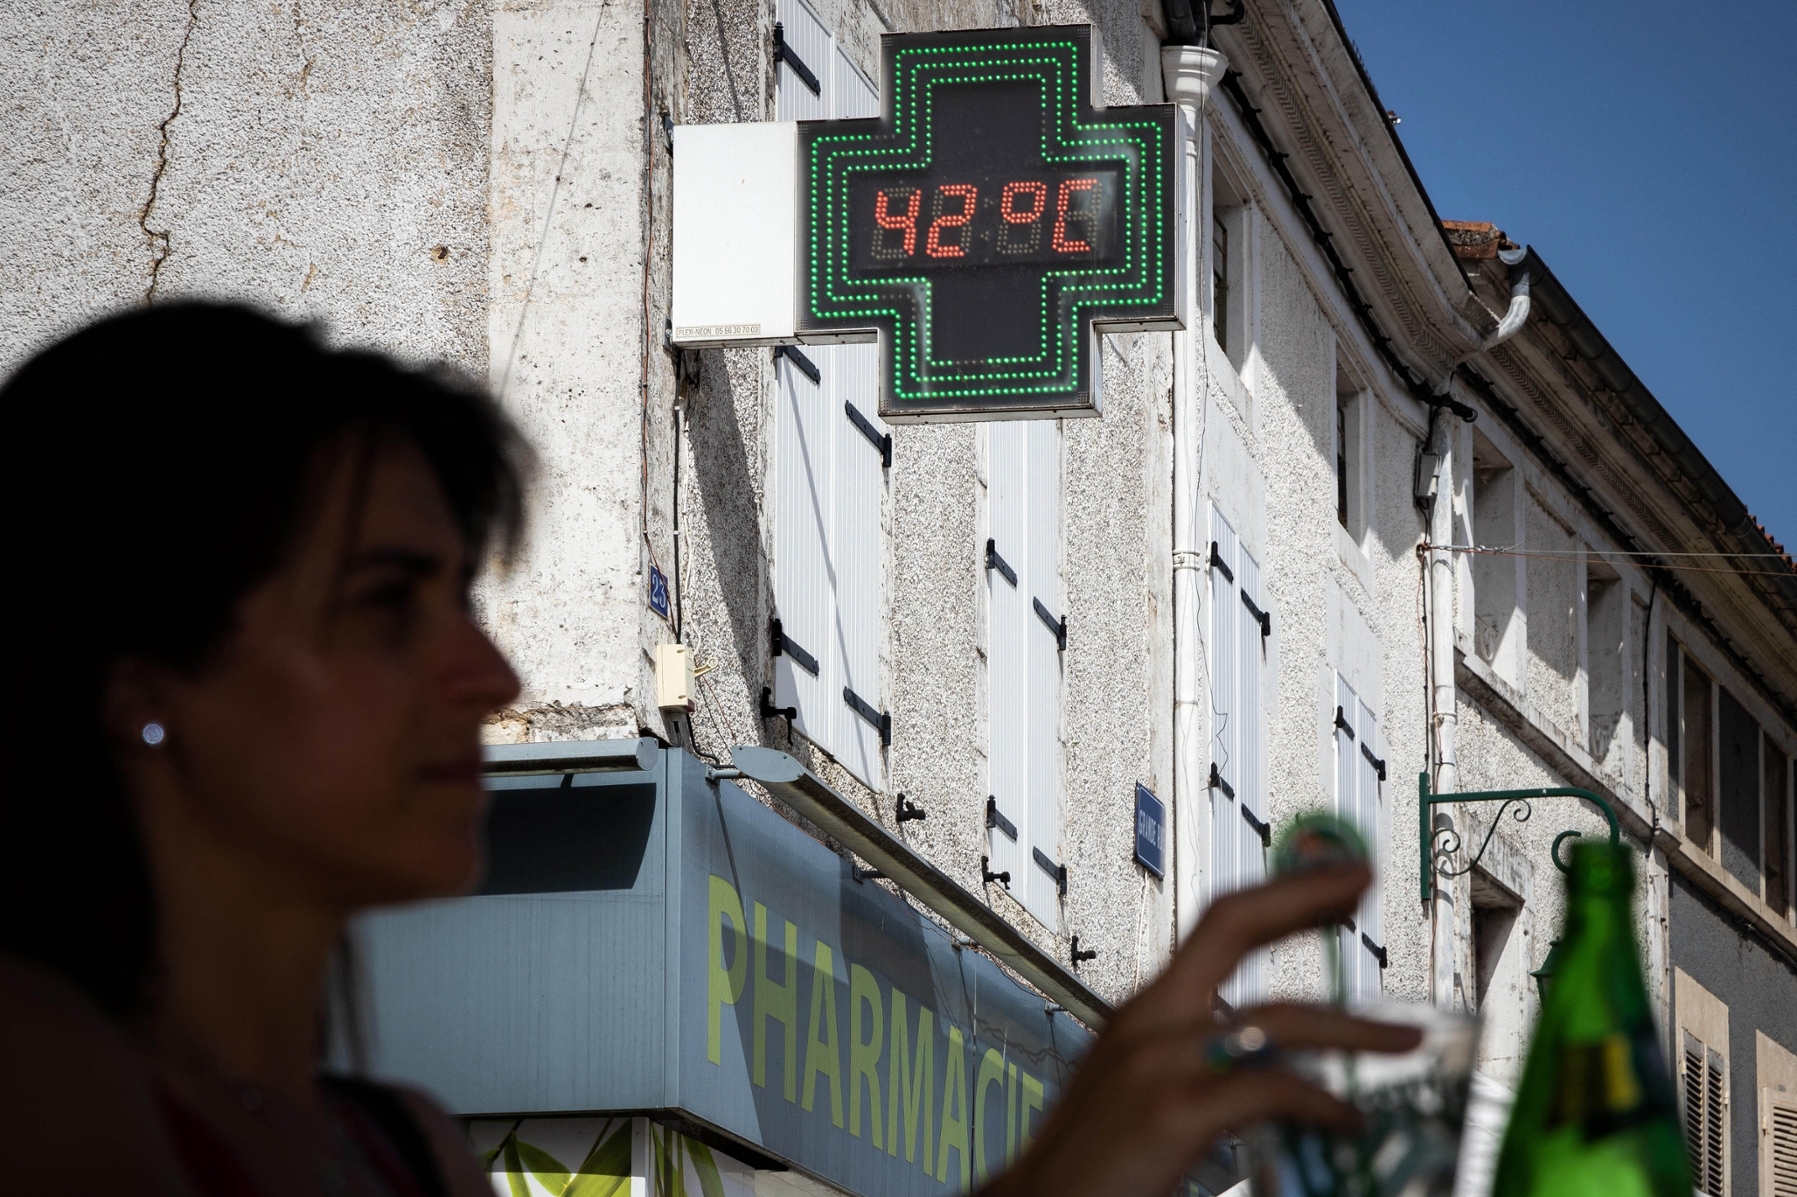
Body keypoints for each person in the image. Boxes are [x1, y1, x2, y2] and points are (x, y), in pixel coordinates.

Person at [0, 303, 1418, 1196]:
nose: (487, 670)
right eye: (385, 605)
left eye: (465, 598)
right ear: (140, 675)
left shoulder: (398, 1143)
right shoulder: (43, 1089)